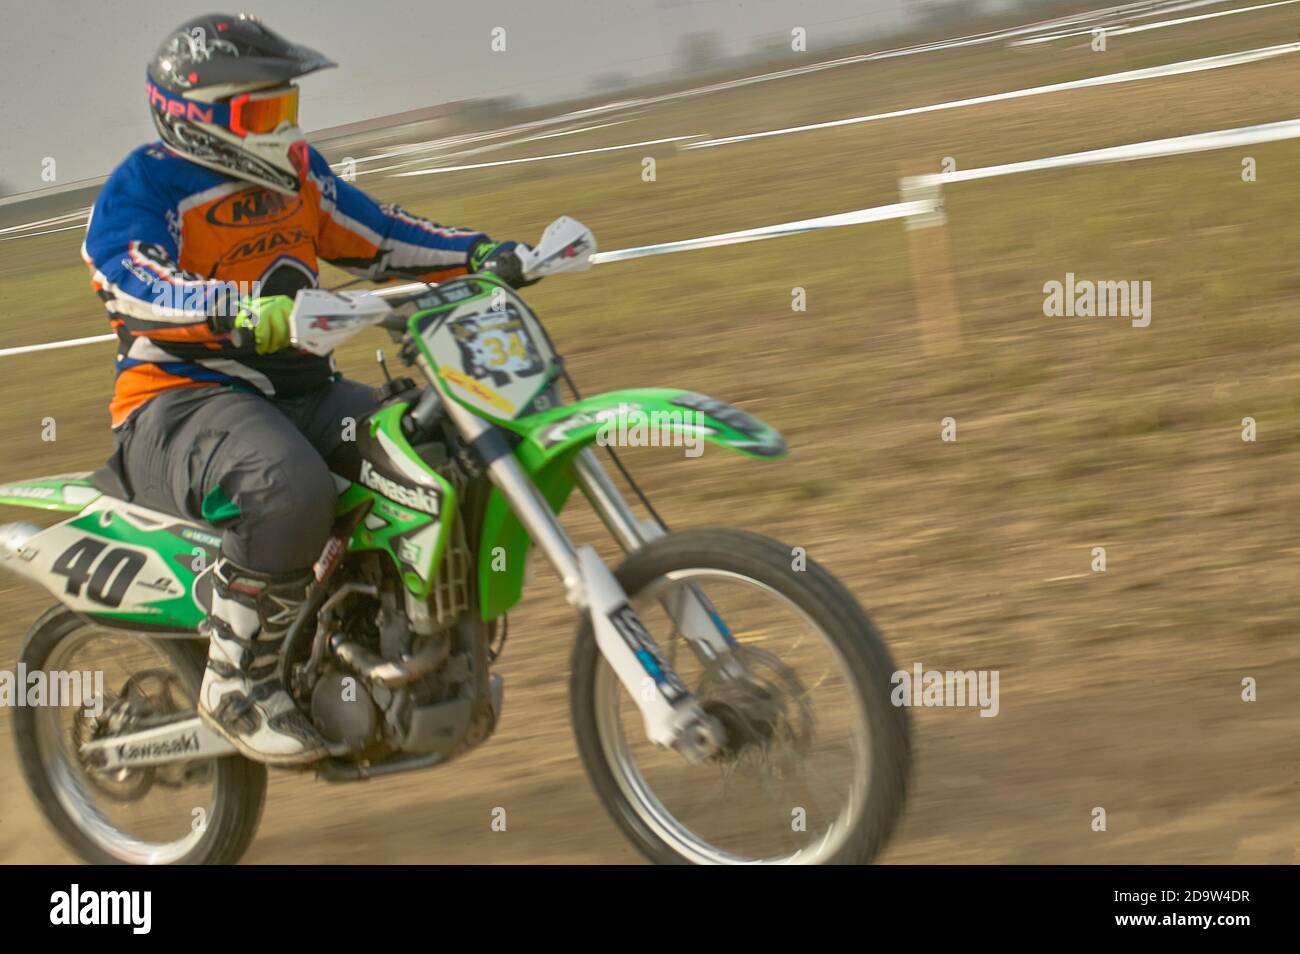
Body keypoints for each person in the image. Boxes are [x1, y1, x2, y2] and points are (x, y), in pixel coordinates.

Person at [82, 13, 528, 764]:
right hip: (182, 401)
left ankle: (401, 642)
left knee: (433, 447)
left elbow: (382, 237)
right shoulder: (146, 183)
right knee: (287, 489)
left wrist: (481, 253)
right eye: (263, 113)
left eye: (286, 109)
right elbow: (128, 279)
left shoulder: (298, 172)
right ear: (194, 116)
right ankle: (234, 678)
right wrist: (232, 306)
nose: (283, 128)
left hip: (301, 392)